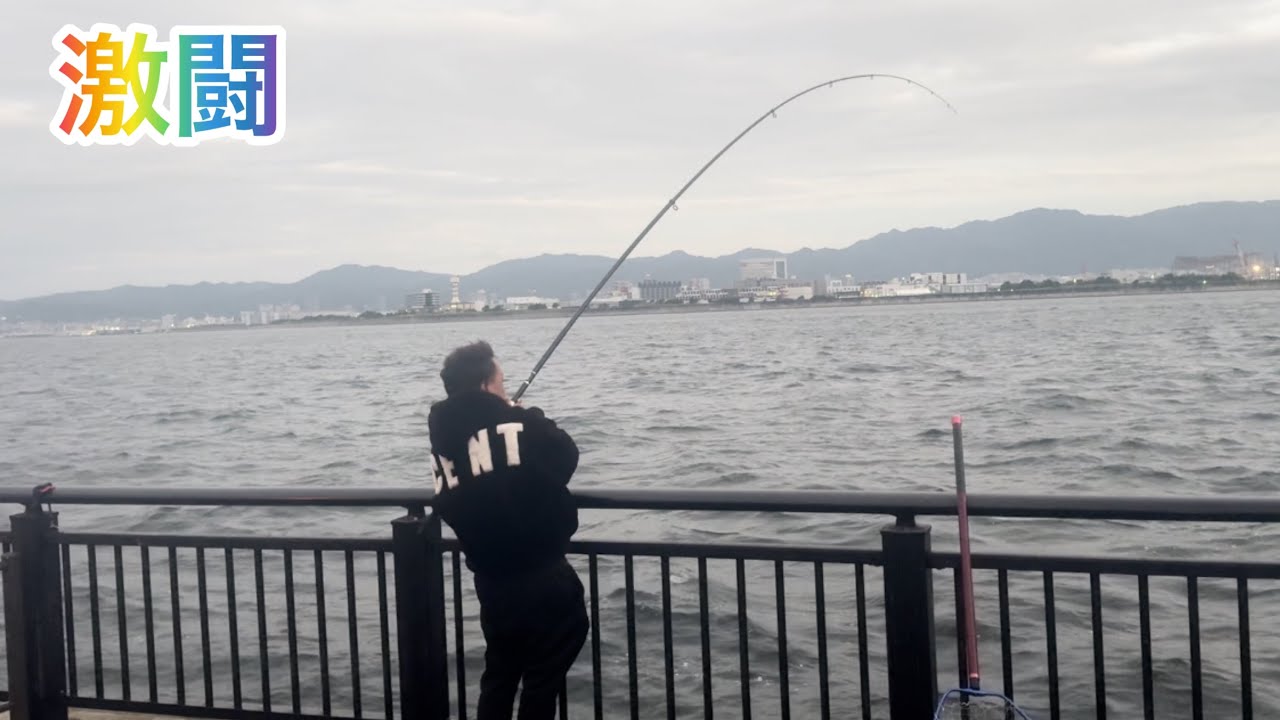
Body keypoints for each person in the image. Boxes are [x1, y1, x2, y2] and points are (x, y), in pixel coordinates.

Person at [427, 341, 588, 720]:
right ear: (486, 385)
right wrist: (523, 413)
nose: (504, 388)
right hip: (542, 573)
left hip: (491, 581)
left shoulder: (443, 443)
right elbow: (565, 457)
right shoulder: (517, 422)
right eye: (501, 382)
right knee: (545, 673)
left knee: (500, 673)